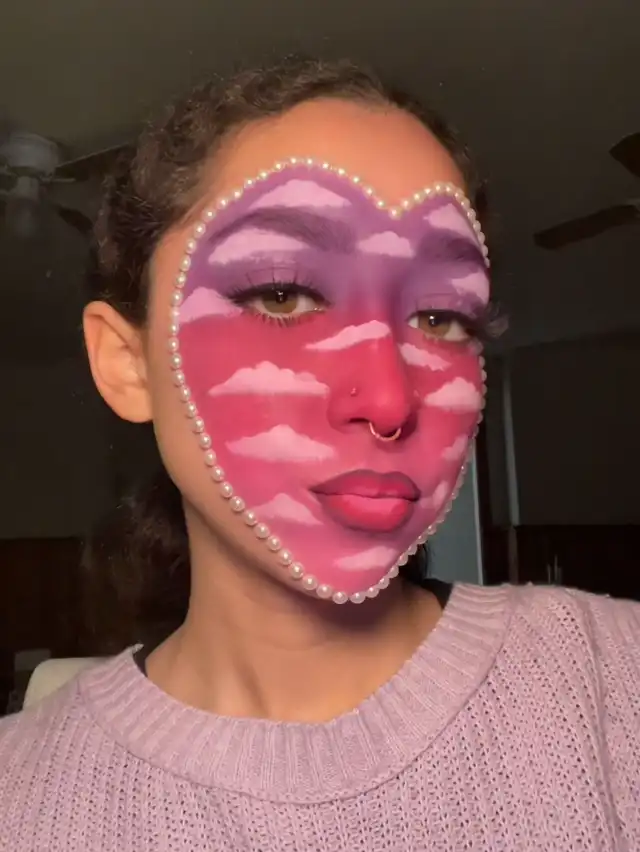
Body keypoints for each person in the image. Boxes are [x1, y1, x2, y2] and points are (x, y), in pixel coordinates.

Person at [0, 56, 638, 852]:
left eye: (442, 317)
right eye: (281, 294)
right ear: (128, 364)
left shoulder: (616, 683)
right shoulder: (17, 800)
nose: (390, 401)